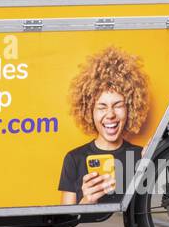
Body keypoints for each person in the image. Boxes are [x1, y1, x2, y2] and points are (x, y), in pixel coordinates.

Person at [58, 46, 152, 206]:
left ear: (131, 107)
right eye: (102, 107)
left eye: (118, 105)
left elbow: (149, 212)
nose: (110, 115)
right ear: (89, 111)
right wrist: (87, 201)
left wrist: (150, 164)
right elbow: (65, 223)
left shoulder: (140, 156)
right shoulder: (74, 159)